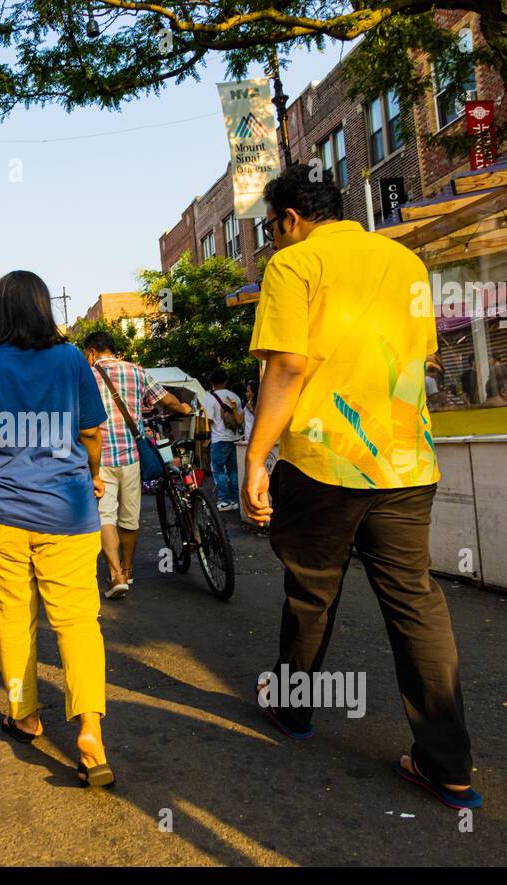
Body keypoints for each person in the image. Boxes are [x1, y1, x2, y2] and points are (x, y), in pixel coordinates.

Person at [242, 164, 480, 810]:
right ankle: (449, 764)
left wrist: (255, 457)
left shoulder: (293, 266)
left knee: (312, 592)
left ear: (290, 219)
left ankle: (294, 709)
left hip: (324, 463)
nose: (271, 241)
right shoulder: (405, 263)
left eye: (271, 229)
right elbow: (420, 358)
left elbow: (288, 366)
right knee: (415, 602)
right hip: (407, 463)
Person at [0, 270, 115, 787]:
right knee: (78, 622)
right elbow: (91, 430)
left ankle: (25, 714)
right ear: (45, 309)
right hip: (69, 513)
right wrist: (90, 475)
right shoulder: (72, 360)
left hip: (1, 513)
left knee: (14, 618)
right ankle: (90, 731)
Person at [81, 330, 191, 598]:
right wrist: (185, 409)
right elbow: (166, 400)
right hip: (131, 456)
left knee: (105, 515)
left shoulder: (85, 376)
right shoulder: (136, 371)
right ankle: (128, 570)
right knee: (130, 517)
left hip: (99, 459)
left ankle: (115, 573)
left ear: (92, 353)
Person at [202, 369, 244, 512]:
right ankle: (235, 500)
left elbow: (208, 420)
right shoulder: (235, 397)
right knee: (233, 470)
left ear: (212, 382)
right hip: (235, 438)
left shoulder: (210, 398)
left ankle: (225, 500)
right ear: (226, 381)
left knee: (219, 470)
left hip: (219, 439)